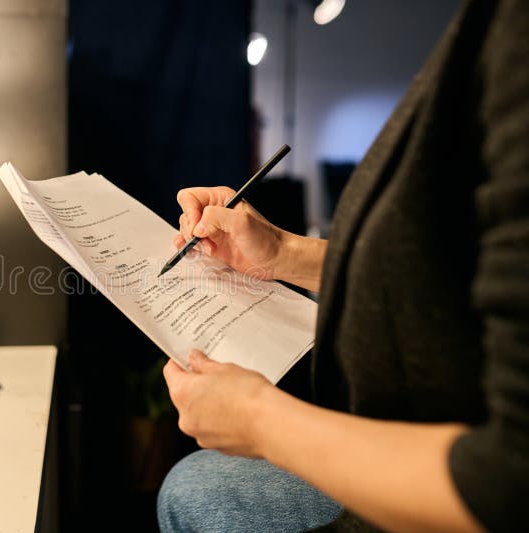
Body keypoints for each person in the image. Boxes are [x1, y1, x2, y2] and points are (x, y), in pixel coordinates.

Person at [157, 0, 528, 531]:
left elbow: (506, 485)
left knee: (193, 493)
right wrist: (281, 252)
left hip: (437, 477)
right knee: (194, 485)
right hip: (399, 424)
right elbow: (458, 278)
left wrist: (260, 421)